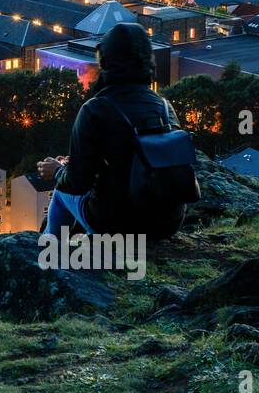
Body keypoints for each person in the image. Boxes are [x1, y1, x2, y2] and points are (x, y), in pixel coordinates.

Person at [37, 21, 186, 242]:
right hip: (168, 223)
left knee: (62, 192)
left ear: (105, 60)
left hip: (119, 224)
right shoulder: (165, 108)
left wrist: (58, 171)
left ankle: (49, 258)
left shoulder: (95, 110)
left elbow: (78, 183)